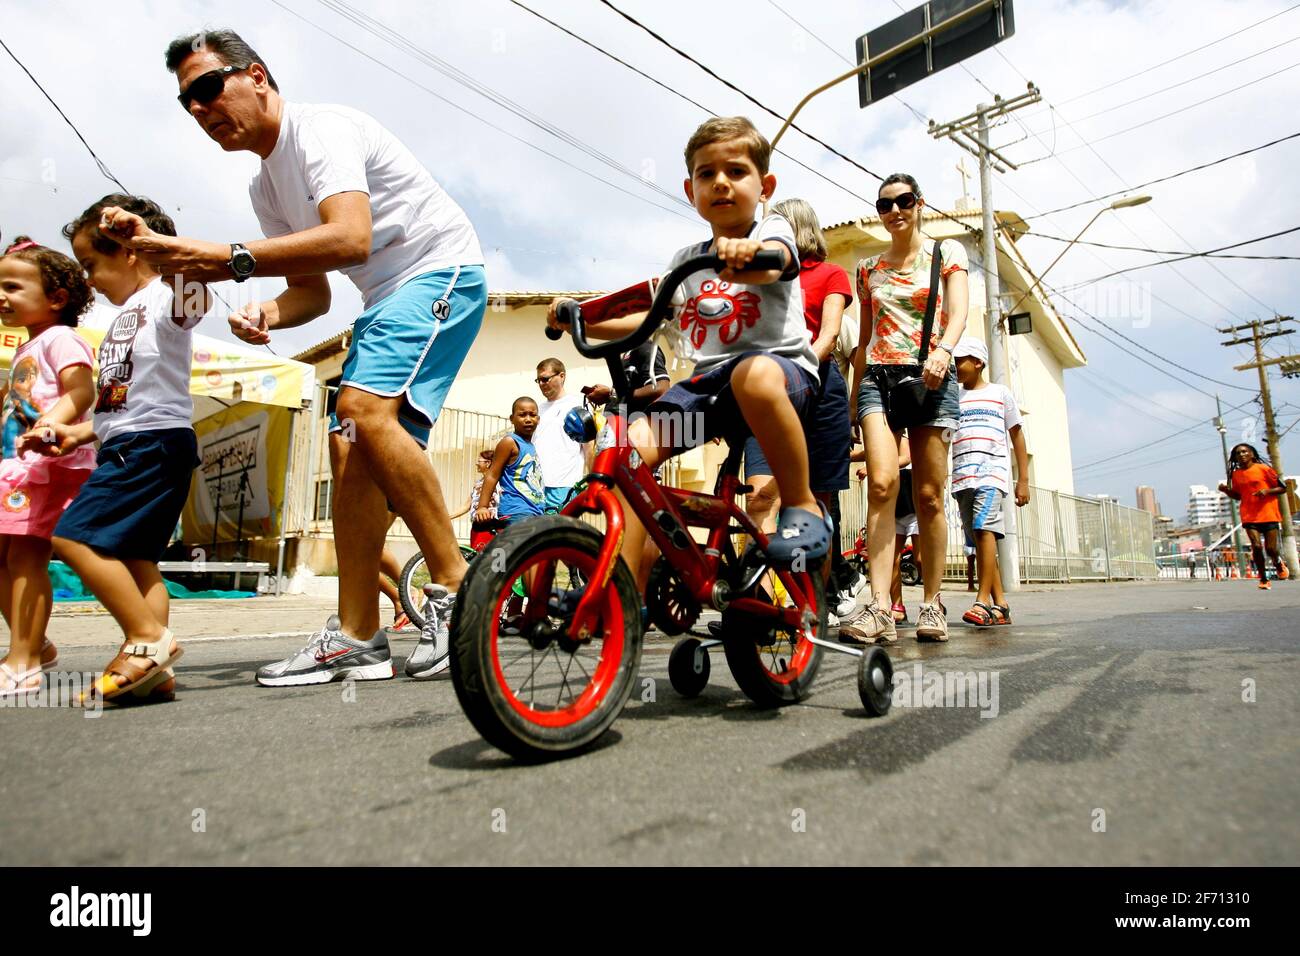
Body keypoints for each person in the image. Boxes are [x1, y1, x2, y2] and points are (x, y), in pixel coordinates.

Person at [144, 30, 485, 685]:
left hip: (439, 271)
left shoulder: (320, 130)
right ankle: (359, 634)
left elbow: (351, 238)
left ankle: (458, 589)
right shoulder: (265, 189)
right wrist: (267, 312)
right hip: (385, 297)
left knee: (360, 409)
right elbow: (313, 290)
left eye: (208, 87)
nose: (198, 109)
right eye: (186, 101)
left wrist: (228, 260)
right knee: (348, 444)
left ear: (258, 77)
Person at [547, 115, 826, 577]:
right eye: (706, 174)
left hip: (780, 378)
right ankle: (622, 594)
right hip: (708, 397)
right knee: (627, 450)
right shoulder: (686, 261)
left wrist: (744, 257)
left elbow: (775, 265)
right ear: (689, 188)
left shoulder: (769, 232)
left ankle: (802, 505)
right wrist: (581, 318)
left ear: (766, 185)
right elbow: (651, 316)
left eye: (736, 172)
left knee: (751, 374)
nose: (721, 182)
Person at [42, 196, 209, 702]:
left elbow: (195, 294)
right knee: (139, 560)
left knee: (75, 538)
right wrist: (80, 432)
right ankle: (153, 672)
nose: (88, 279)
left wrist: (157, 247)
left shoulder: (162, 295)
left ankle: (148, 639)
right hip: (136, 439)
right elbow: (124, 399)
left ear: (131, 252)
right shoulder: (123, 317)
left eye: (92, 264)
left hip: (150, 445)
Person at [841, 172, 969, 644]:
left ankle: (932, 604)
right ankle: (879, 607)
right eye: (884, 204)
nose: (894, 210)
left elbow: (958, 313)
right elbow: (866, 335)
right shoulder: (868, 268)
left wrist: (944, 351)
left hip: (932, 375)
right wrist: (855, 400)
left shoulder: (946, 253)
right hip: (879, 377)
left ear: (920, 203)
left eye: (904, 201)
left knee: (930, 496)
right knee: (881, 484)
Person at [741, 198, 856, 613]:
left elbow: (827, 338)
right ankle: (763, 605)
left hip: (820, 391)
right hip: (770, 392)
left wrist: (796, 365)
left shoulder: (831, 274)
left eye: (777, 225)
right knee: (760, 497)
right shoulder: (766, 278)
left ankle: (810, 609)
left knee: (816, 504)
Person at [0, 241, 96, 697]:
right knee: (5, 557)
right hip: (16, 468)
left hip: (46, 465)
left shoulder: (61, 339)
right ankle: (35, 645)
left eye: (12, 286)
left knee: (24, 557)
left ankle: (23, 660)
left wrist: (49, 426)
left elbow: (82, 391)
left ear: (56, 297)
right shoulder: (28, 346)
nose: (2, 296)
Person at [949, 338, 1029, 625]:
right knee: (981, 539)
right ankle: (1002, 605)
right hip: (962, 477)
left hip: (991, 474)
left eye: (960, 361)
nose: (956, 366)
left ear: (978, 362)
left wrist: (1023, 480)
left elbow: (1017, 434)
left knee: (984, 530)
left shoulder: (1000, 393)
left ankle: (982, 601)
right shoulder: (953, 396)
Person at [1219, 442, 1289, 589]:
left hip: (1268, 513)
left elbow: (1283, 488)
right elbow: (1238, 496)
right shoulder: (1236, 474)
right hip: (1249, 515)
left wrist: (1267, 491)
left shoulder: (1264, 469)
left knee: (1270, 549)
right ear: (1235, 458)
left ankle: (1277, 562)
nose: (1242, 455)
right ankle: (1263, 579)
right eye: (1238, 453)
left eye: (1244, 452)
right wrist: (1226, 490)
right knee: (1256, 546)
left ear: (1251, 454)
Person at [534, 358, 591, 513]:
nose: (541, 384)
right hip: (535, 487)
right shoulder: (537, 410)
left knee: (558, 534)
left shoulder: (578, 405)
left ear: (562, 376)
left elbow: (588, 448)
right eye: (538, 380)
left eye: (545, 379)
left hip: (563, 486)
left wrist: (593, 482)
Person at [447, 449, 502, 551]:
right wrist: (448, 517)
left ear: (488, 463)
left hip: (489, 527)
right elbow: (466, 506)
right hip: (477, 526)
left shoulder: (499, 482)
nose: (476, 463)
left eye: (479, 461)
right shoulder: (478, 483)